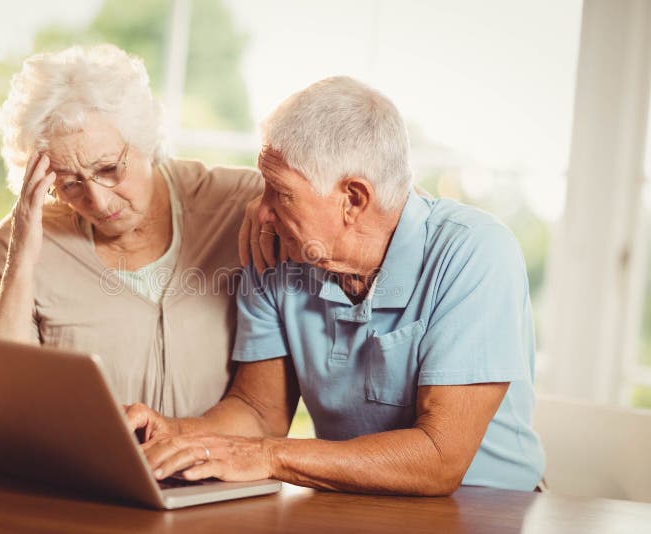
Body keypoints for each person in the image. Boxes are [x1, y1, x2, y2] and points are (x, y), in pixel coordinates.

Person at [126, 76, 546, 495]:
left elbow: (438, 459)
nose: (260, 210)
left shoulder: (476, 252)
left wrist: (270, 456)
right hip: (349, 500)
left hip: (487, 508)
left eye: (280, 192)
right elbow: (258, 412)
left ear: (353, 199)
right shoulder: (279, 252)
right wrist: (177, 435)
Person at [0, 45, 261, 417]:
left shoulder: (236, 205)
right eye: (69, 184)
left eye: (109, 168)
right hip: (80, 471)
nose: (99, 200)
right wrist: (23, 254)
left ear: (143, 140)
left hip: (221, 471)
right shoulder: (24, 238)